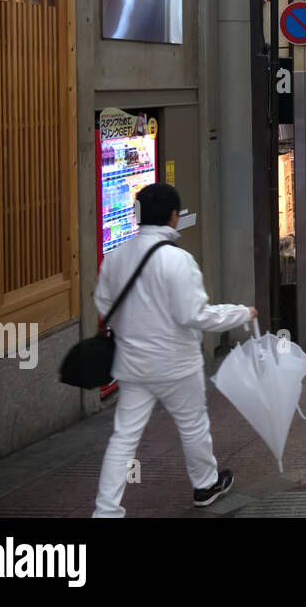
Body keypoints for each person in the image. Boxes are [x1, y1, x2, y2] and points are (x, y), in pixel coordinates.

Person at [92, 184, 255, 516]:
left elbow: (103, 303)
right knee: (192, 424)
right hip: (176, 363)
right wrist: (241, 313)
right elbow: (193, 315)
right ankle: (205, 484)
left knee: (123, 438)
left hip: (132, 364)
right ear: (173, 217)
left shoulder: (115, 257)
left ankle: (106, 510)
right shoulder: (178, 260)